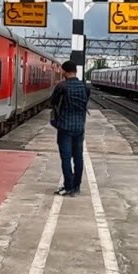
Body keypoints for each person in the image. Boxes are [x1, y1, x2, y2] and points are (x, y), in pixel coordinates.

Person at [50, 60, 90, 196]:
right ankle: (76, 187)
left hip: (65, 127)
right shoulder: (84, 87)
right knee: (78, 157)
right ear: (76, 71)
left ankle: (68, 186)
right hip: (79, 127)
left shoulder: (62, 86)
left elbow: (53, 103)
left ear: (64, 72)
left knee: (66, 157)